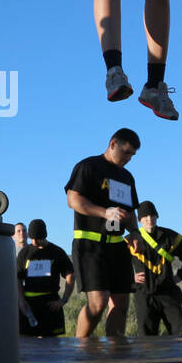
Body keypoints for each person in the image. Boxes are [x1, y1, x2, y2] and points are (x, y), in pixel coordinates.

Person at [65, 128, 140, 336]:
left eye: (132, 155)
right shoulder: (88, 167)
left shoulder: (127, 177)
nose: (129, 158)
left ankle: (115, 353)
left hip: (117, 246)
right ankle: (81, 350)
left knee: (121, 303)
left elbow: (131, 210)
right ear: (112, 144)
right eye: (126, 152)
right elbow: (73, 200)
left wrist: (135, 233)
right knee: (98, 303)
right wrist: (105, 212)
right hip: (90, 245)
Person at [128, 201, 182, 336]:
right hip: (144, 295)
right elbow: (117, 265)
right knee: (146, 341)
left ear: (157, 217)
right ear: (139, 220)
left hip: (168, 293)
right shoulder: (130, 240)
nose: (149, 219)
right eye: (145, 216)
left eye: (152, 215)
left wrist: (180, 276)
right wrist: (130, 279)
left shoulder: (170, 237)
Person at [16, 219, 74, 337]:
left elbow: (70, 274)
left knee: (50, 345)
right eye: (32, 238)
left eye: (37, 238)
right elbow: (18, 278)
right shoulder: (24, 253)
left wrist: (64, 300)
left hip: (50, 304)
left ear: (44, 235)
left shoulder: (57, 252)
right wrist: (21, 301)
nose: (34, 241)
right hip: (29, 306)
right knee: (26, 343)